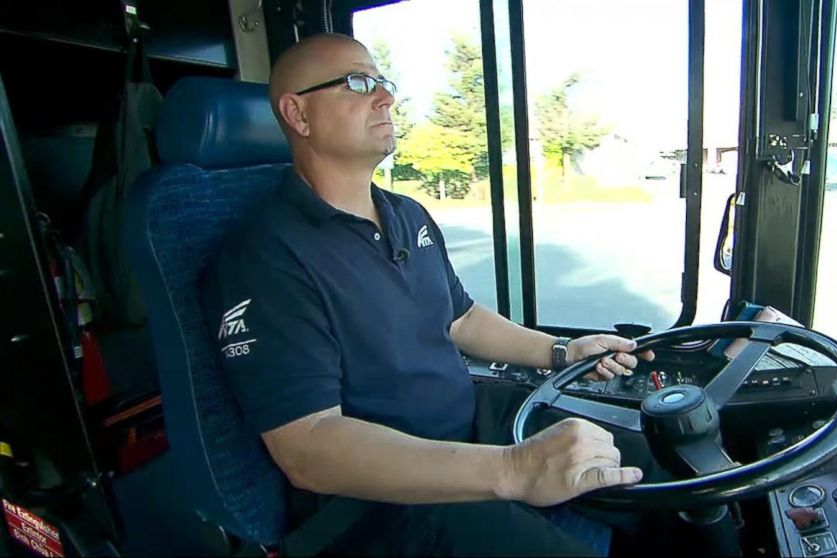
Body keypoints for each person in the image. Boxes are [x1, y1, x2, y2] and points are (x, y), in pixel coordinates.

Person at [201, 33, 662, 556]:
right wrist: (513, 469)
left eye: (384, 82)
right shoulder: (264, 256)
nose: (386, 98)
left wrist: (561, 351)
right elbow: (307, 446)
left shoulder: (406, 214)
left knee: (658, 464)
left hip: (472, 427)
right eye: (358, 83)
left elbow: (460, 320)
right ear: (297, 114)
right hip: (384, 498)